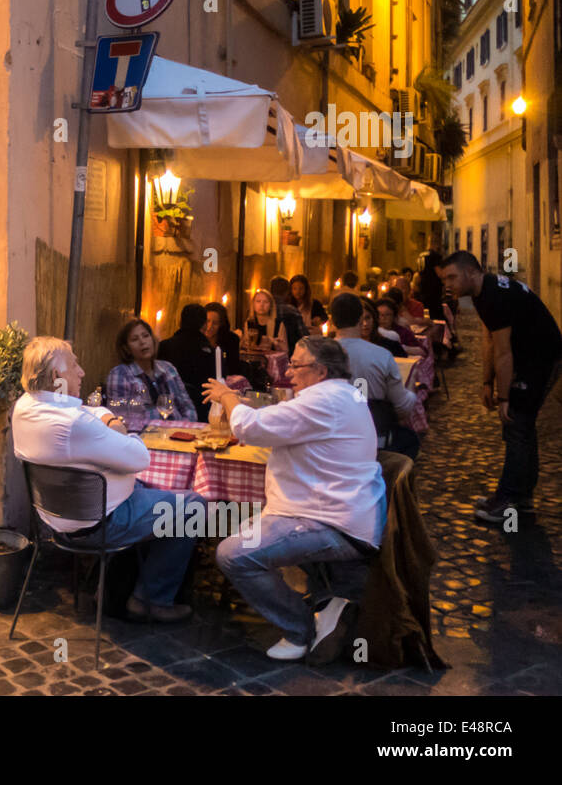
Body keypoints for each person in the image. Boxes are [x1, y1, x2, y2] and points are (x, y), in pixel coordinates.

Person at [203, 335, 385, 662]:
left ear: (321, 370)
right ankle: (321, 603)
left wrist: (228, 397)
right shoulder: (343, 395)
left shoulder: (324, 400)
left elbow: (250, 426)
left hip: (333, 521)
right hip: (337, 510)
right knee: (252, 523)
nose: (289, 372)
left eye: (296, 365)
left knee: (234, 554)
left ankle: (300, 629)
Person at [11, 336, 201, 622]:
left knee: (155, 492)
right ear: (56, 375)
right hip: (102, 524)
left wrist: (107, 418)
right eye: (75, 365)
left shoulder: (25, 406)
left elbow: (86, 409)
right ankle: (152, 600)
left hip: (53, 520)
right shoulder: (75, 424)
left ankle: (117, 585)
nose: (82, 372)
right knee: (193, 505)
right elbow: (140, 458)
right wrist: (122, 429)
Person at [441, 251, 562, 522]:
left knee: (516, 425)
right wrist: (487, 381)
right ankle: (522, 498)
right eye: (444, 279)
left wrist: (504, 396)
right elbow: (489, 340)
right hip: (529, 358)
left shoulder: (495, 296)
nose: (447, 284)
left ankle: (509, 498)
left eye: (452, 277)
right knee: (522, 427)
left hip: (540, 358)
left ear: (471, 272)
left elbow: (504, 352)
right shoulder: (484, 293)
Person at [331, 293, 420, 460]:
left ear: (332, 321)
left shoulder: (315, 355)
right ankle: (391, 482)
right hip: (373, 437)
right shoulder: (381, 356)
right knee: (410, 439)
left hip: (329, 437)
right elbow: (402, 407)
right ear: (360, 319)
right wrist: (411, 388)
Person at [106, 317, 197, 420]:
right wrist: (165, 416)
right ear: (127, 349)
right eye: (134, 339)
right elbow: (121, 417)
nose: (142, 342)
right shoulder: (120, 374)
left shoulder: (168, 368)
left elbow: (188, 408)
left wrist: (183, 429)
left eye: (146, 336)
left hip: (177, 432)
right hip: (140, 435)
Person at [156, 303, 215, 417]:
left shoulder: (164, 346)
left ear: (180, 322)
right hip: (202, 410)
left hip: (168, 407)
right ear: (204, 325)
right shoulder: (210, 352)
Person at [241, 289, 289, 354]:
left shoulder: (278, 324)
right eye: (258, 301)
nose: (261, 305)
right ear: (253, 304)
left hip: (272, 361)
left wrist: (272, 342)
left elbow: (285, 350)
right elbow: (246, 346)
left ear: (270, 306)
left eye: (265, 302)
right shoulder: (249, 323)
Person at [203, 301, 244, 379]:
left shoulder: (231, 339)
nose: (209, 326)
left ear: (221, 324)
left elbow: (233, 368)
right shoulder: (196, 338)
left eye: (215, 323)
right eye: (207, 321)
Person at [268, 276, 307, 350]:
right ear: (287, 292)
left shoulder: (263, 309)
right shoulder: (292, 311)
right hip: (289, 354)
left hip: (266, 352)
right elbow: (304, 337)